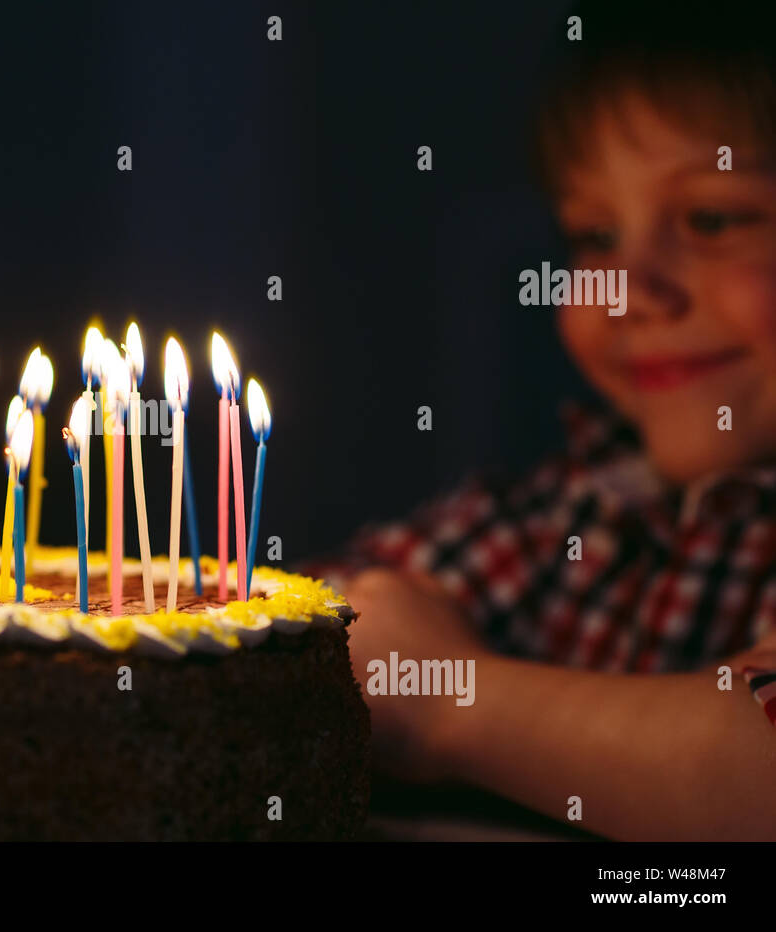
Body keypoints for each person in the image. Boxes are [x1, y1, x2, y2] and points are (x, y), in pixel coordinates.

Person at [302, 1, 776, 841]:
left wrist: (449, 698)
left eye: (712, 218)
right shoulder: (570, 514)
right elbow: (330, 615)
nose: (624, 290)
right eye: (594, 237)